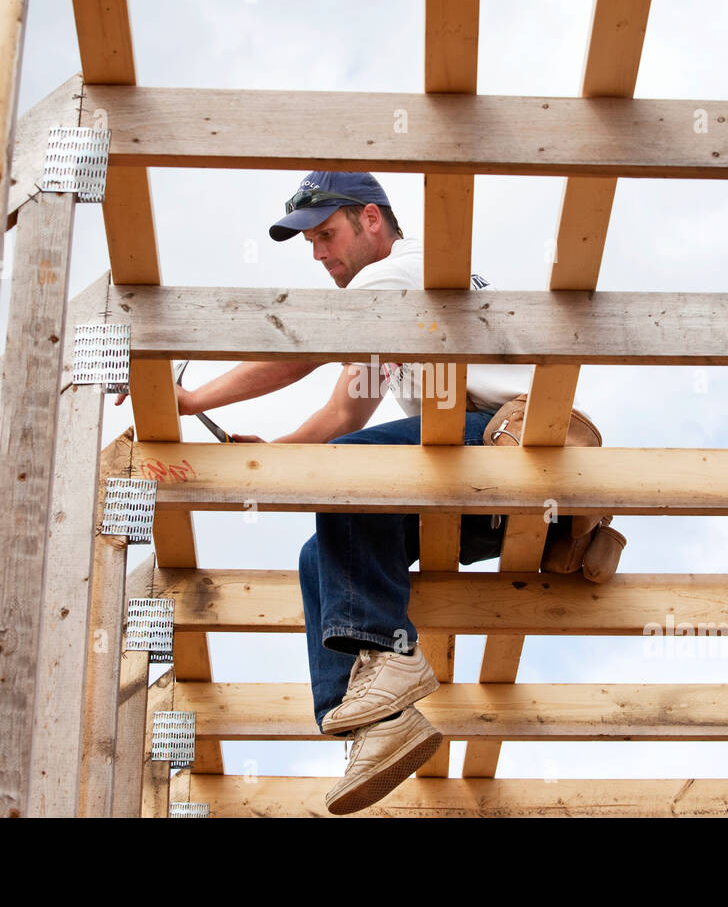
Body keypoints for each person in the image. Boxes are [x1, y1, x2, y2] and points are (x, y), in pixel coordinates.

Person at [118, 171, 534, 814]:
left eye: (326, 234)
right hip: (479, 497)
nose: (319, 254)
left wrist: (194, 398)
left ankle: (393, 666)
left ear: (372, 220)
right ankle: (376, 726)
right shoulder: (397, 314)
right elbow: (345, 416)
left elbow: (305, 347)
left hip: (507, 450)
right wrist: (276, 460)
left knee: (346, 474)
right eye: (310, 243)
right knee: (320, 555)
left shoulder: (404, 268)